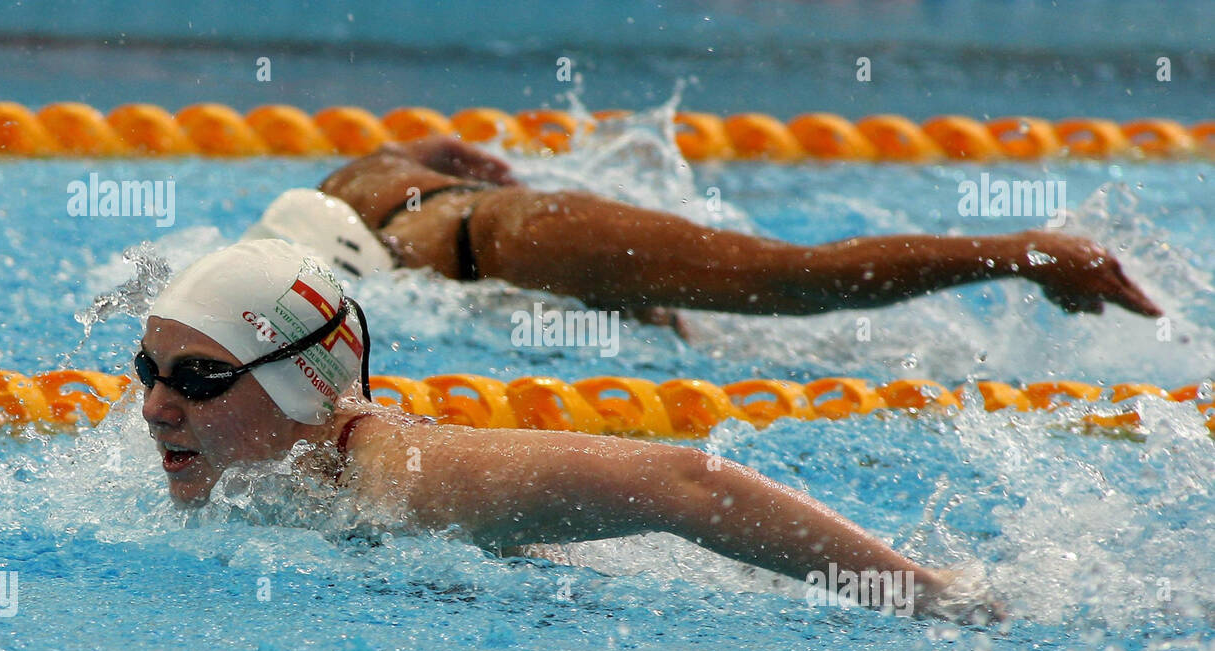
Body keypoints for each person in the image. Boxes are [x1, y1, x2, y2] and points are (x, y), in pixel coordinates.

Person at [140, 239, 1000, 623]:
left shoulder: (410, 478)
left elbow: (686, 482)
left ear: (303, 385)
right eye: (148, 370)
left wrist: (922, 594)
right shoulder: (256, 465)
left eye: (199, 378)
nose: (155, 407)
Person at [240, 135, 1162, 324]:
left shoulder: (509, 245)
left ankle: (1036, 250)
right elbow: (421, 144)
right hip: (517, 228)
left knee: (793, 280)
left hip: (535, 235)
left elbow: (800, 278)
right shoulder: (357, 180)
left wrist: (1032, 255)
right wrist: (454, 154)